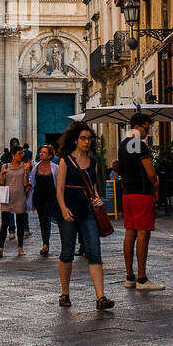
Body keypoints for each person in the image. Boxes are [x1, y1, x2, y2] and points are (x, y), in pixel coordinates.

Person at [55, 122, 113, 311]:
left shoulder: (93, 163)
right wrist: (63, 208)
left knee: (94, 252)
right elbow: (60, 188)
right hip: (69, 211)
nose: (87, 142)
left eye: (89, 138)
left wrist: (97, 200)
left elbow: (93, 189)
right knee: (67, 252)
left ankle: (100, 297)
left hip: (88, 212)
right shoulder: (65, 160)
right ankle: (65, 293)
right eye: (83, 138)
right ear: (75, 140)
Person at [119, 112, 164, 292]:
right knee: (143, 234)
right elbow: (150, 173)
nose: (148, 132)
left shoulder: (123, 145)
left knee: (130, 233)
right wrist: (155, 186)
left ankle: (129, 276)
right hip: (141, 194)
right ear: (137, 126)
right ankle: (142, 278)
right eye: (147, 128)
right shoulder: (140, 145)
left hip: (127, 194)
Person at [0, 146, 31, 258]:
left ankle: (20, 247)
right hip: (7, 198)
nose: (22, 155)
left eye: (22, 153)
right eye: (20, 154)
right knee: (4, 223)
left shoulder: (24, 167)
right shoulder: (5, 166)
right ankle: (0, 248)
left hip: (20, 197)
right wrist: (1, 174)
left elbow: (25, 184)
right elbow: (1, 183)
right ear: (13, 155)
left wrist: (25, 171)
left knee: (20, 224)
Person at [28, 144, 60, 257]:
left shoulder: (55, 168)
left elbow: (59, 183)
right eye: (40, 152)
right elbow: (32, 180)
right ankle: (45, 243)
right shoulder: (35, 167)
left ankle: (46, 245)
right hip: (38, 198)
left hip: (51, 198)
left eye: (44, 152)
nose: (41, 154)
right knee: (42, 219)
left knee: (46, 217)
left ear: (50, 155)